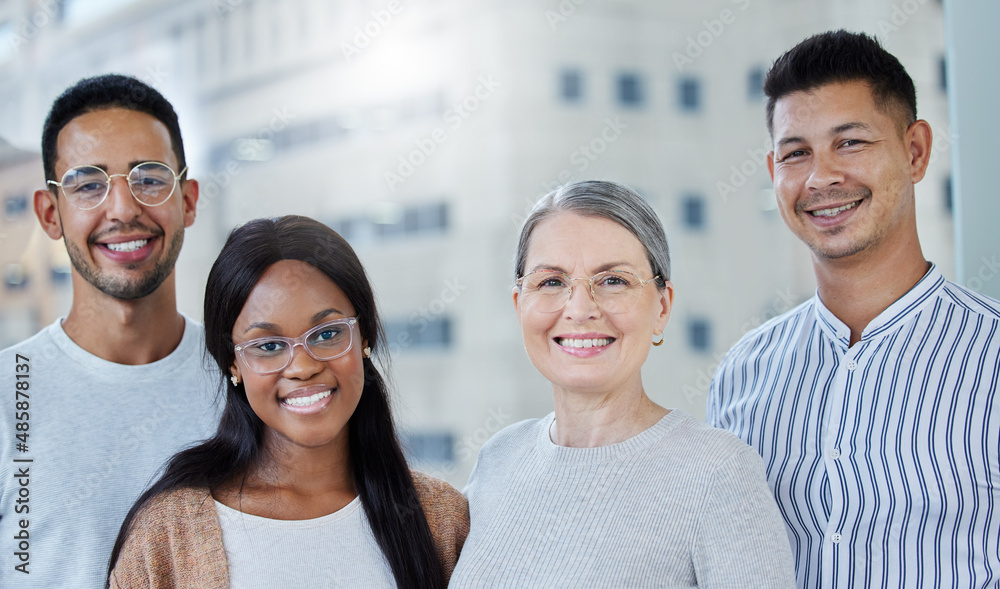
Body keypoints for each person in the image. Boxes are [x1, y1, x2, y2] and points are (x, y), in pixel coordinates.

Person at [707, 30, 1000, 589]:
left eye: (851, 143)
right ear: (773, 172)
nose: (821, 178)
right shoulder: (741, 374)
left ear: (915, 152)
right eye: (796, 153)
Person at [450, 181, 796, 587]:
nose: (580, 310)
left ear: (662, 307)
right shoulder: (499, 459)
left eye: (613, 280)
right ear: (519, 304)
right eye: (551, 282)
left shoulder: (718, 473)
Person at [107, 215, 469, 588]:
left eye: (327, 334)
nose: (303, 367)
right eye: (268, 346)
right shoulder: (167, 534)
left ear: (364, 337)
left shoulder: (442, 519)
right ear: (233, 363)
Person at [0, 74, 220, 588]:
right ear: (50, 213)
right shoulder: (8, 394)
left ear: (188, 200)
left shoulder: (247, 381)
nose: (122, 209)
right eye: (88, 185)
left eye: (149, 179)